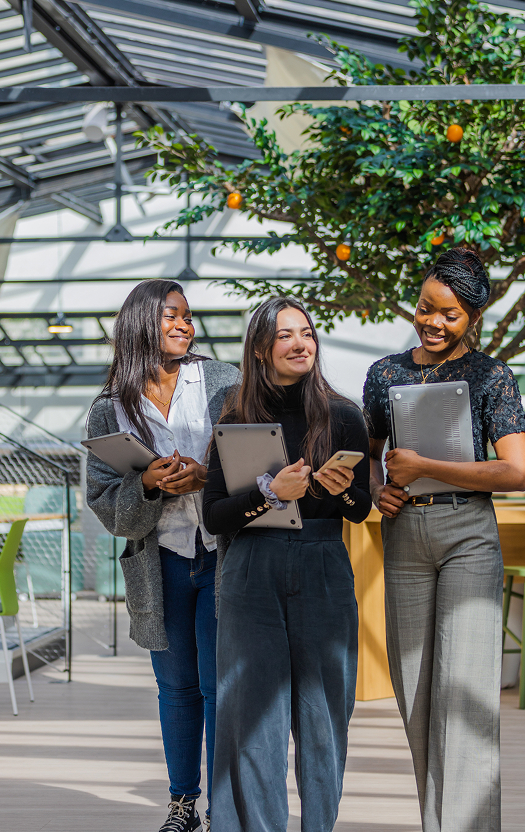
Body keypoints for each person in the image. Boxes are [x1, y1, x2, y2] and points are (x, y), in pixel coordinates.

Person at [363, 248, 525, 832]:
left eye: (450, 315)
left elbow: (515, 473)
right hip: (405, 533)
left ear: (473, 319)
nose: (433, 322)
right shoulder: (384, 374)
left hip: (468, 537)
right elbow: (369, 460)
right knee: (416, 698)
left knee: (464, 698)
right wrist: (380, 488)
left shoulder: (491, 376)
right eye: (426, 308)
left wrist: (425, 465)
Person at [202, 296, 372, 832]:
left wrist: (342, 492)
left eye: (308, 333)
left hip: (325, 564)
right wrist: (271, 493)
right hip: (252, 569)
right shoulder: (236, 416)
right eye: (285, 335)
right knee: (251, 723)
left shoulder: (344, 415)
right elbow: (214, 516)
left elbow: (362, 508)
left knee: (325, 724)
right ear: (260, 349)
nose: (301, 344)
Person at [85, 279, 240, 832]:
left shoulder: (225, 381)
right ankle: (182, 804)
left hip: (224, 555)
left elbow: (259, 462)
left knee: (220, 686)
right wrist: (149, 485)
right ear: (140, 324)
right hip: (162, 564)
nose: (183, 325)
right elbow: (106, 505)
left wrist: (207, 476)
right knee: (176, 688)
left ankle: (226, 804)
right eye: (170, 315)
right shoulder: (108, 410)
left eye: (187, 316)